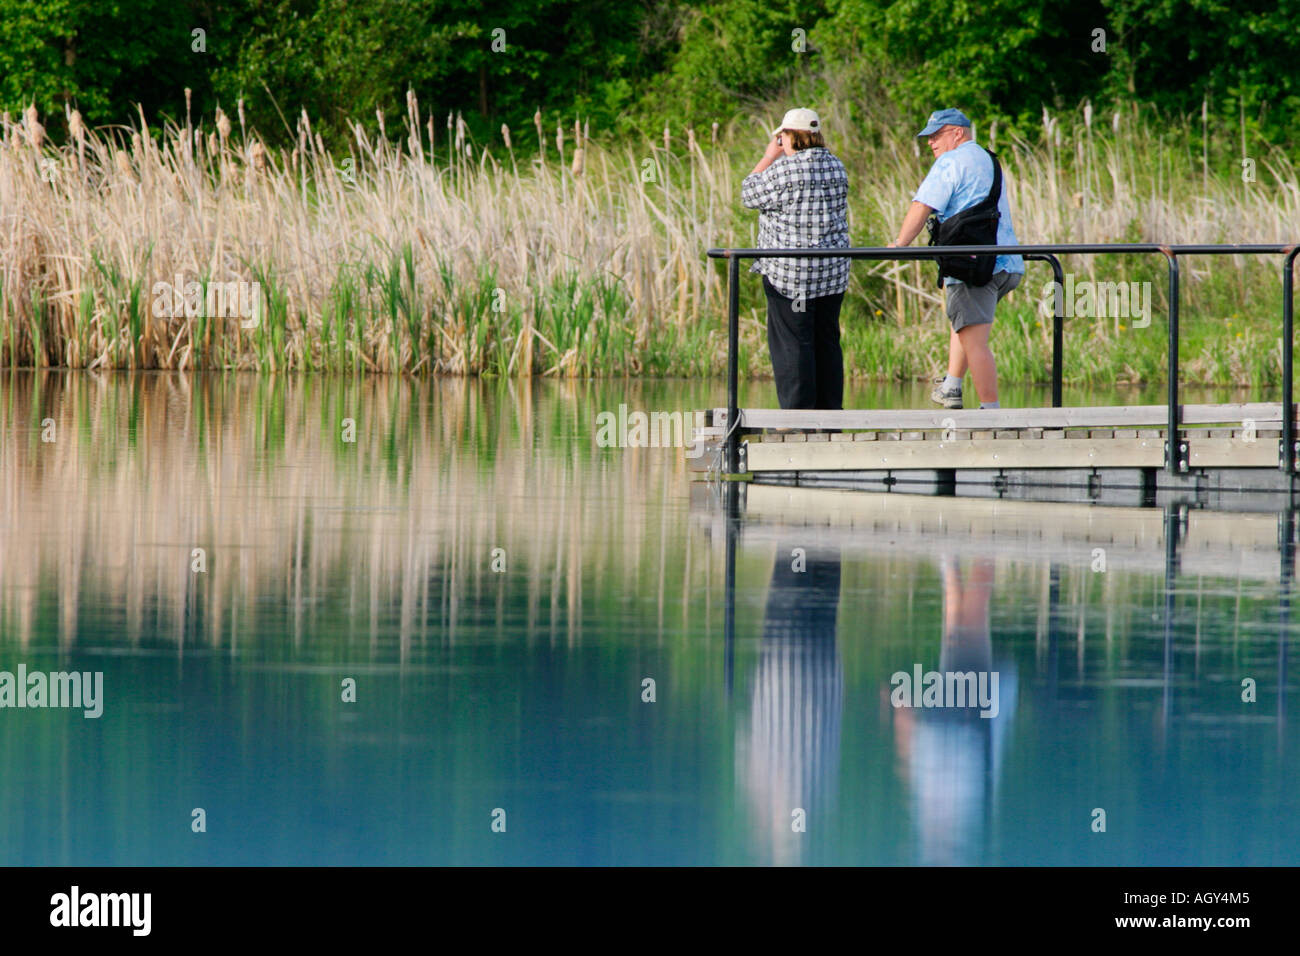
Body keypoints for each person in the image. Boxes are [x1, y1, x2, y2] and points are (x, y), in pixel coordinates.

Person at [888, 108, 1024, 410]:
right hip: (1007, 263)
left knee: (975, 341)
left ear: (957, 132)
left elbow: (923, 205)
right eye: (928, 137)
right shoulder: (989, 159)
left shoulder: (951, 161)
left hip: (974, 265)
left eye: (936, 135)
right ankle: (952, 385)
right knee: (964, 321)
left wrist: (899, 244)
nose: (930, 143)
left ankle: (991, 412)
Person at [741, 108, 850, 410]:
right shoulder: (836, 166)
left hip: (790, 275)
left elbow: (748, 194)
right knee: (826, 341)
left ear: (789, 136)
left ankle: (797, 417)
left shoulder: (783, 170)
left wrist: (768, 157)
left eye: (782, 135)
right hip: (832, 273)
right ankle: (830, 414)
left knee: (792, 343)